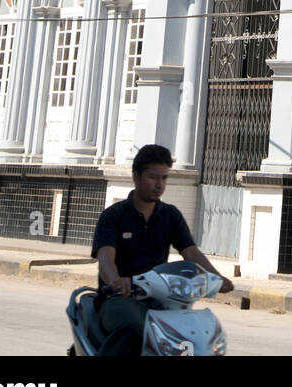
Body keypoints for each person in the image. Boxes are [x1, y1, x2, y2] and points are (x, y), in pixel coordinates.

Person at [90, 143, 233, 356]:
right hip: (119, 299)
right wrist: (116, 281)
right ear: (136, 176)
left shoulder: (169, 215)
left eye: (164, 178)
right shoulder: (114, 216)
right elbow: (105, 259)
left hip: (160, 300)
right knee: (135, 329)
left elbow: (191, 252)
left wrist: (217, 277)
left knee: (197, 335)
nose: (159, 184)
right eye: (153, 177)